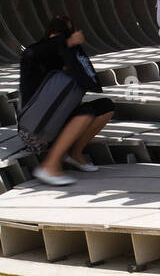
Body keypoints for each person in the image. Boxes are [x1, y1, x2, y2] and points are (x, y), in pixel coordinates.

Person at [19, 15, 115, 186]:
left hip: (55, 122)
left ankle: (74, 154)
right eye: (63, 34)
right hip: (33, 129)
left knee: (105, 107)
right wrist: (66, 43)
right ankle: (50, 165)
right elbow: (32, 53)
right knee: (86, 114)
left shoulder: (64, 58)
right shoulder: (35, 56)